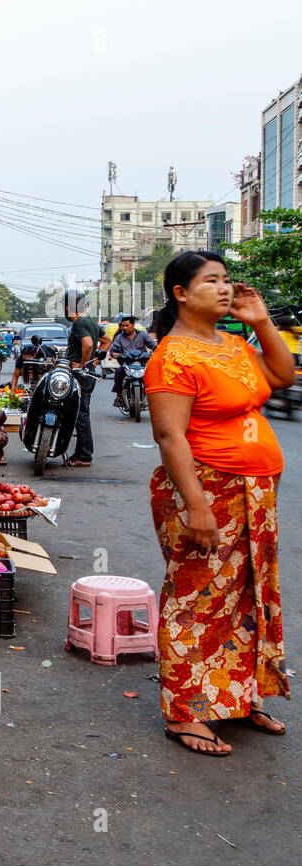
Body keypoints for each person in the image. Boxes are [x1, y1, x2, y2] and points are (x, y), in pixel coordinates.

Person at [145, 251, 293, 756]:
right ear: (181, 293)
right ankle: (186, 712)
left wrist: (262, 321)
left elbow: (283, 377)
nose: (226, 289)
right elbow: (169, 435)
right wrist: (197, 506)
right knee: (198, 598)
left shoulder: (232, 344)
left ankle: (237, 697)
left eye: (228, 280)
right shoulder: (173, 355)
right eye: (212, 281)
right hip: (207, 490)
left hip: (256, 490)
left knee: (251, 594)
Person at [64, 291, 102, 467]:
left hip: (82, 374)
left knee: (81, 415)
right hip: (88, 373)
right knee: (81, 413)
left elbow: (88, 344)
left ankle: (84, 455)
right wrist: (95, 361)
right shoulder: (91, 322)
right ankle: (82, 453)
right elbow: (107, 341)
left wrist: (83, 365)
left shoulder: (79, 323)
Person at [108, 315, 157, 408]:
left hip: (142, 364)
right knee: (119, 372)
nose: (124, 328)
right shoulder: (119, 337)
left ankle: (153, 396)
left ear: (133, 324)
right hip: (127, 364)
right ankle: (118, 396)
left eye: (127, 325)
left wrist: (157, 352)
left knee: (153, 374)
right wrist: (115, 353)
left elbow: (153, 346)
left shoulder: (142, 335)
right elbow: (113, 350)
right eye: (123, 326)